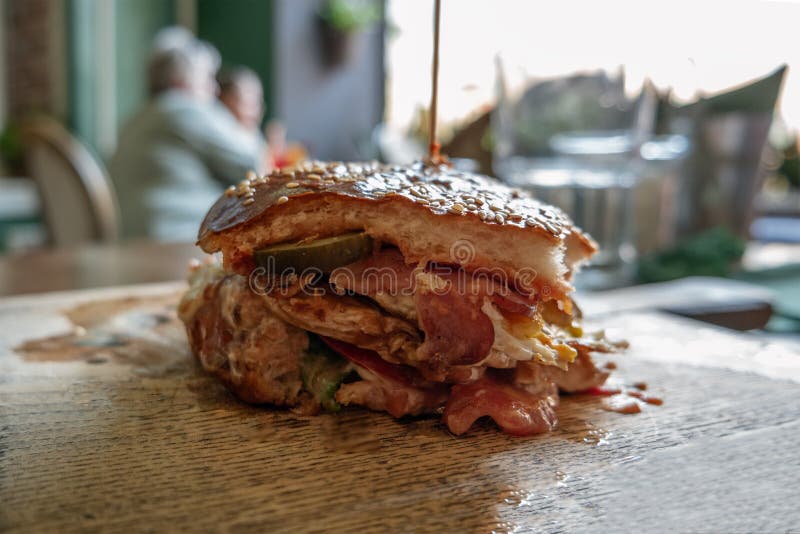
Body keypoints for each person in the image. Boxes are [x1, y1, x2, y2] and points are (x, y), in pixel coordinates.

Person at [110, 27, 267, 241]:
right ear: (180, 81)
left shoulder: (135, 119)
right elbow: (251, 162)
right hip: (180, 240)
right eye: (206, 80)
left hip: (132, 240)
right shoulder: (185, 109)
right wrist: (245, 120)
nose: (214, 91)